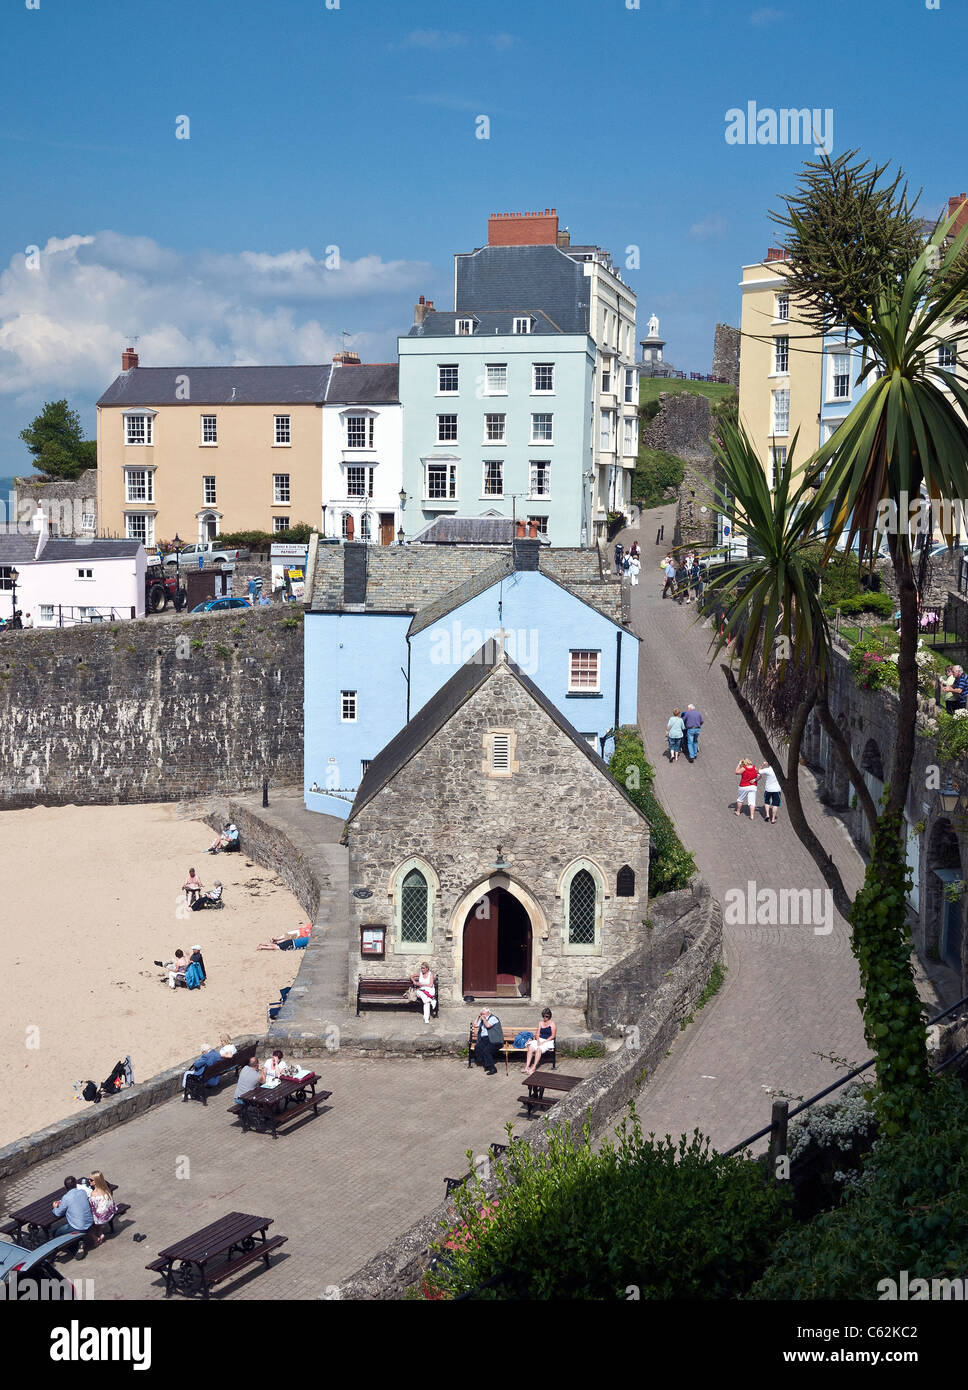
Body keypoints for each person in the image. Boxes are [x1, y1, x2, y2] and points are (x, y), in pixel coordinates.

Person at [51, 1176, 98, 1246]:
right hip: (89, 1222)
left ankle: (75, 1246)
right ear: (76, 1184)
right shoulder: (82, 1192)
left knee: (55, 1233)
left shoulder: (66, 1197)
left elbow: (58, 1213)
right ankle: (85, 1240)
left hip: (78, 1227)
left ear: (65, 1187)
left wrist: (54, 1208)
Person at [522, 1008, 556, 1078]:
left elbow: (553, 1036)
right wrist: (538, 1041)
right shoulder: (540, 1023)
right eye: (544, 1016)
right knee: (531, 1048)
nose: (545, 1018)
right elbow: (537, 1034)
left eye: (547, 1016)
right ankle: (527, 1066)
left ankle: (533, 1068)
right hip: (540, 1039)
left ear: (550, 1016)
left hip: (548, 1040)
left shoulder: (552, 1024)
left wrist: (544, 1042)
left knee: (539, 1049)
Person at [474, 1007, 503, 1075]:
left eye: (483, 1013)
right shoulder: (482, 1019)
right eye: (481, 1014)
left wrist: (484, 1019)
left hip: (495, 1040)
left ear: (488, 1013)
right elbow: (475, 1025)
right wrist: (477, 1017)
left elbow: (488, 1025)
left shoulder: (493, 1018)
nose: (482, 1015)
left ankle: (492, 1068)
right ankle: (485, 1064)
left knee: (487, 1051)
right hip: (485, 1039)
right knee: (478, 1047)